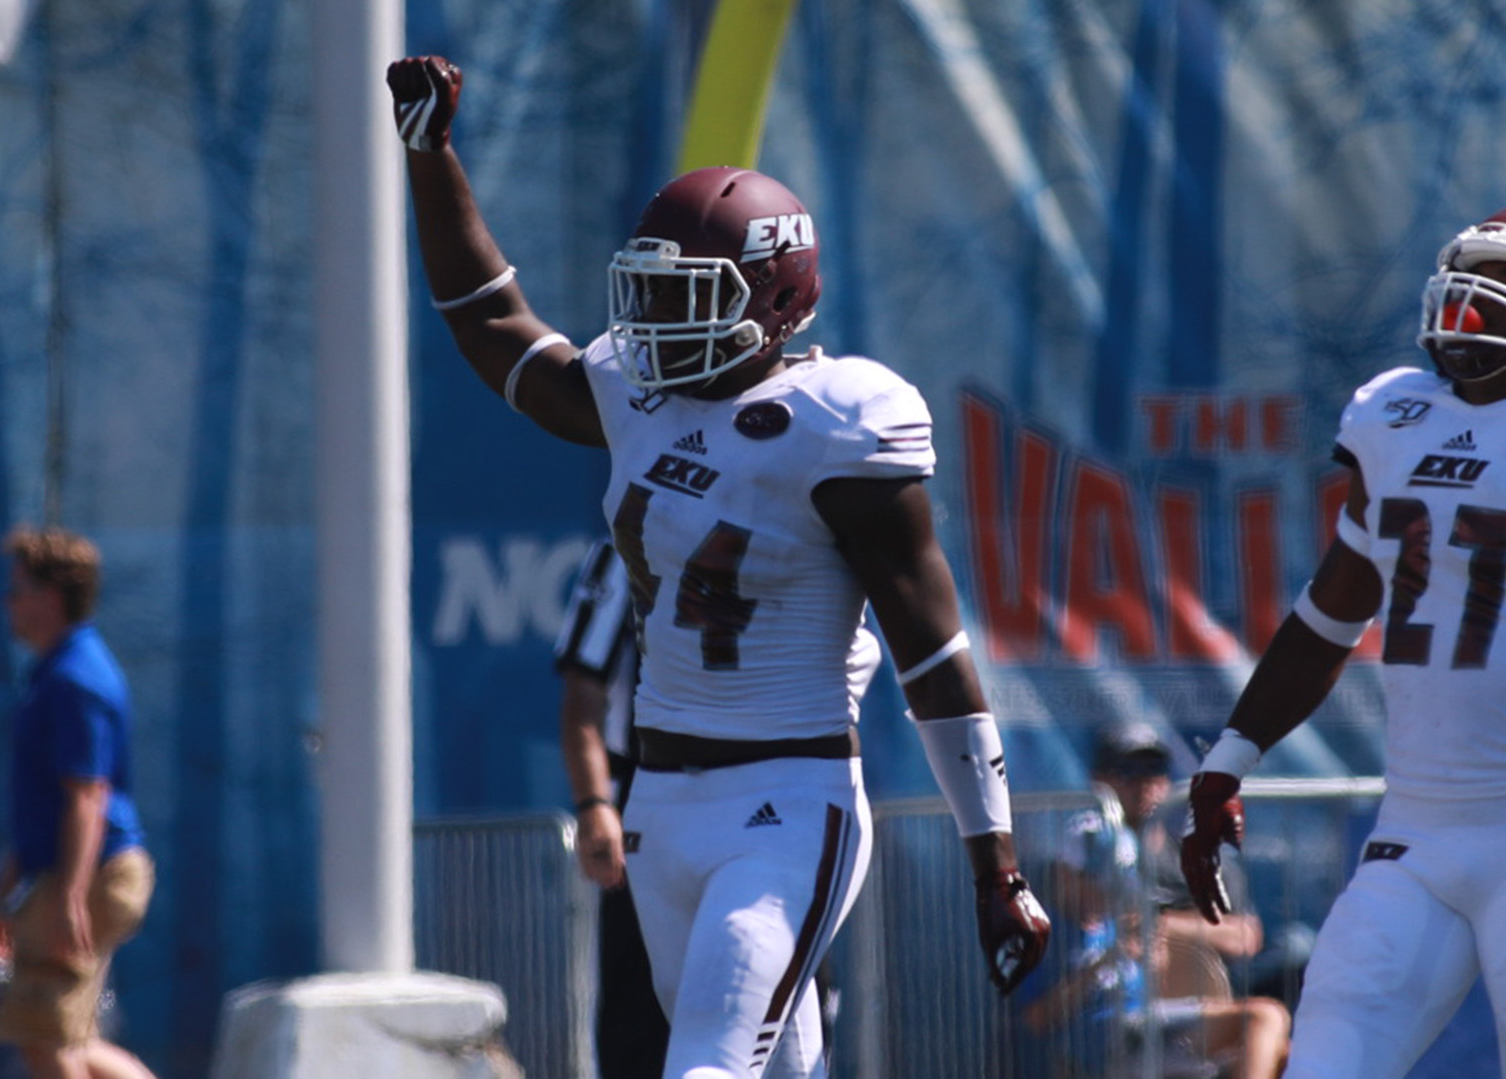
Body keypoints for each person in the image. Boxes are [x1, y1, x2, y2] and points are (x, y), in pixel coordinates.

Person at [387, 54, 1050, 1079]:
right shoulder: (638, 394)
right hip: (660, 800)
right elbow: (491, 323)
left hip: (788, 799)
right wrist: (431, 156)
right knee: (781, 1066)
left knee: (704, 1066)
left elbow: (934, 657)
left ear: (779, 297)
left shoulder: (841, 421)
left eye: (684, 293)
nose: (654, 320)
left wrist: (993, 860)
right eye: (648, 291)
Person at [1179, 202, 1506, 1079]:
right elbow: (1329, 613)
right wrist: (1228, 756)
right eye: (1476, 272)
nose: (1476, 297)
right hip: (1411, 835)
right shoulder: (1394, 416)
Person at [1019, 721, 1289, 1079]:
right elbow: (1036, 1019)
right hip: (1112, 1041)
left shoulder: (1194, 859)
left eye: (1154, 770)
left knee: (1285, 1051)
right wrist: (1110, 958)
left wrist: (1158, 933)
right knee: (1264, 1019)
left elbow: (1245, 937)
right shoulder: (1044, 922)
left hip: (1156, 1025)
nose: (1144, 782)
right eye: (1128, 771)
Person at [0, 526, 157, 1079]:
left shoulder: (75, 679)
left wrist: (72, 897)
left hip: (92, 872)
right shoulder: (53, 674)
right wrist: (5, 891)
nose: (8, 603)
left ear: (50, 597)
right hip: (74, 873)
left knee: (45, 1034)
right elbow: (43, 810)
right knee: (67, 1038)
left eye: (17, 590)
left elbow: (87, 796)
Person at [555, 539, 672, 1078]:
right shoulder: (626, 549)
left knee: (789, 997)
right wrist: (595, 803)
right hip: (651, 804)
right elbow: (583, 696)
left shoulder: (787, 530)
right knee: (640, 1007)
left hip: (767, 800)